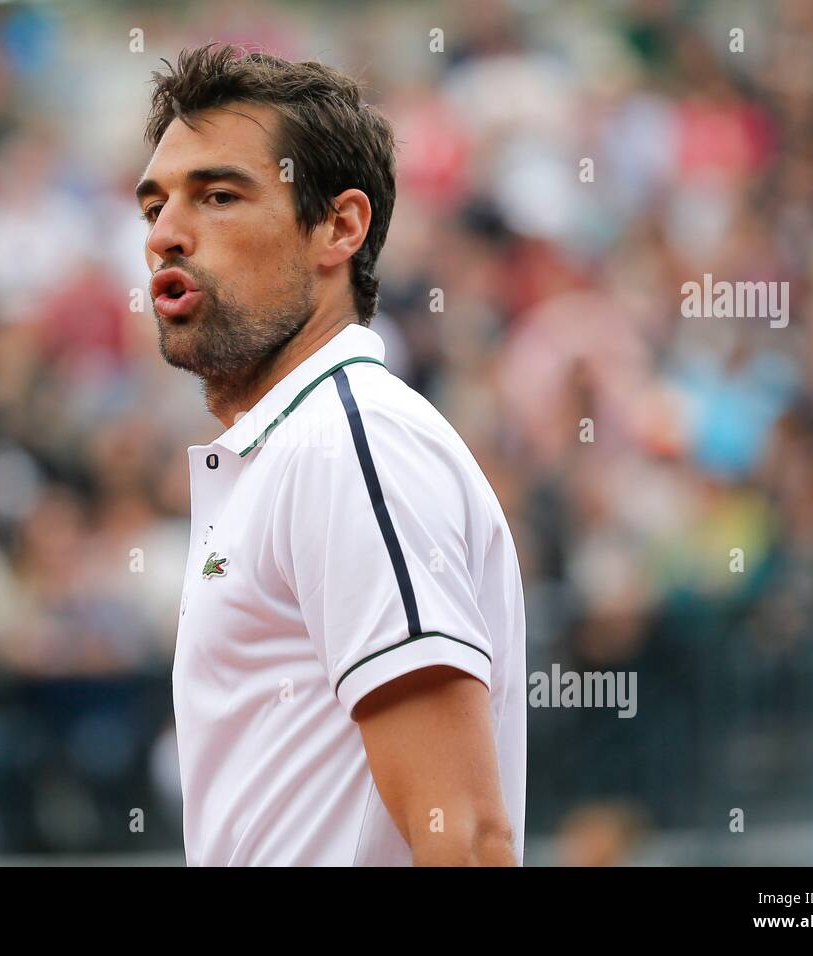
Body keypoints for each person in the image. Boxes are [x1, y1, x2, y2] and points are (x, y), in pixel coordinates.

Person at [135, 43, 527, 865]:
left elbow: (463, 834)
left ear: (340, 227)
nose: (166, 235)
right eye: (154, 207)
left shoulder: (348, 445)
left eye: (217, 195)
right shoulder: (301, 447)